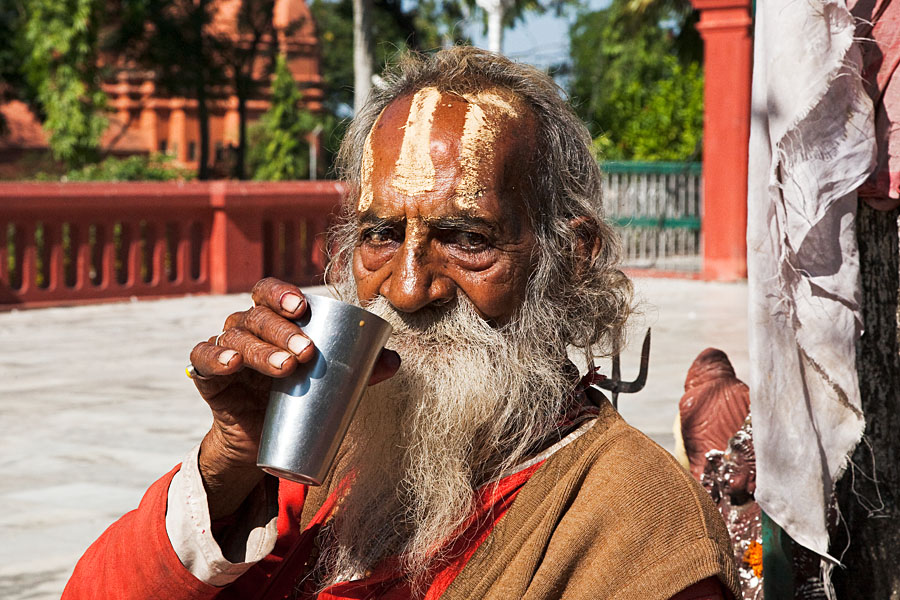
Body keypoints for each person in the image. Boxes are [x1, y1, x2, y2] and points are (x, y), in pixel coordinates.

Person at [63, 47, 741, 600]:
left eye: (467, 239)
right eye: (382, 235)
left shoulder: (633, 524)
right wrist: (229, 463)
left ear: (569, 257)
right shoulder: (339, 449)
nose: (409, 289)